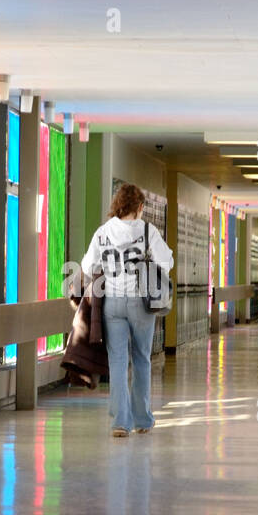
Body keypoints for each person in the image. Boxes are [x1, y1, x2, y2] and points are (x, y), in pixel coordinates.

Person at [80, 183, 174, 437]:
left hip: (111, 303)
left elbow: (88, 266)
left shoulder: (102, 232)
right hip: (140, 302)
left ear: (118, 205)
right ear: (140, 207)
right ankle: (143, 419)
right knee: (142, 359)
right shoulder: (147, 230)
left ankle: (121, 422)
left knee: (118, 361)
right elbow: (167, 262)